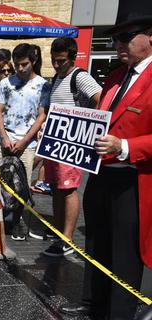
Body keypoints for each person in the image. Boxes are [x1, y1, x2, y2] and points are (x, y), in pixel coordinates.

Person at [59, 0, 152, 320]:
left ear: (150, 37)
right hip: (100, 173)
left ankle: (120, 318)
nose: (118, 45)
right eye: (115, 38)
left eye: (126, 37)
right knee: (97, 240)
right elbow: (99, 119)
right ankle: (93, 301)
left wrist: (125, 147)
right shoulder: (114, 76)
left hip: (133, 178)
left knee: (126, 250)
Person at [40, 37, 101, 257]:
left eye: (61, 61)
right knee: (56, 188)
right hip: (55, 140)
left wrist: (85, 123)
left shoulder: (80, 77)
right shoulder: (58, 77)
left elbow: (100, 99)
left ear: (72, 57)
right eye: (54, 60)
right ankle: (58, 232)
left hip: (71, 142)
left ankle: (67, 239)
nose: (56, 65)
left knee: (68, 189)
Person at [0, 43, 51, 240]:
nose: (21, 68)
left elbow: (41, 116)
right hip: (3, 140)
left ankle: (16, 221)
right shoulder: (6, 83)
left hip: (27, 144)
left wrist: (24, 141)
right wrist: (4, 137)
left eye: (24, 64)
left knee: (21, 186)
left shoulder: (43, 85)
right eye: (17, 65)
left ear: (33, 61)